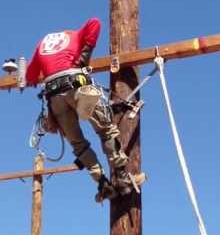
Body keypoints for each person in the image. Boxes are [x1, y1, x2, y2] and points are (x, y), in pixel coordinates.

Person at [24, 17, 147, 203]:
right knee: (106, 131)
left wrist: (40, 74)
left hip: (54, 97)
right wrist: (82, 60)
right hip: (76, 86)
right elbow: (94, 23)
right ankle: (122, 178)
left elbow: (30, 76)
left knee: (78, 144)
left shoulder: (42, 44)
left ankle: (103, 184)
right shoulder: (74, 35)